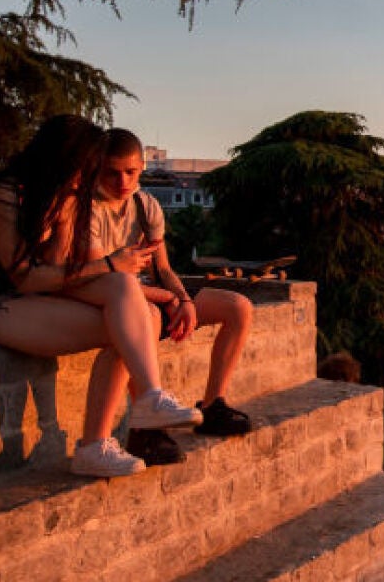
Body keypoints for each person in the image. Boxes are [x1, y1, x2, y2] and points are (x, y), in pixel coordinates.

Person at [0, 115, 201, 478]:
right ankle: (121, 424)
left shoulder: (62, 195)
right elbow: (25, 277)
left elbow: (54, 265)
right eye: (88, 167)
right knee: (126, 307)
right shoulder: (4, 195)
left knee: (135, 307)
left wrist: (66, 216)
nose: (89, 177)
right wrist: (112, 263)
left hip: (38, 299)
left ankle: (121, 423)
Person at [80, 130, 256, 465]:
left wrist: (184, 301)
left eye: (130, 172)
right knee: (144, 316)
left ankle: (214, 404)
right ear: (96, 169)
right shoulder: (87, 212)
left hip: (152, 292)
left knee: (238, 308)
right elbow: (108, 278)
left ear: (142, 167)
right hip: (118, 298)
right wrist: (168, 299)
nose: (122, 181)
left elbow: (163, 268)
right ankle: (146, 431)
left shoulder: (145, 206)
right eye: (112, 172)